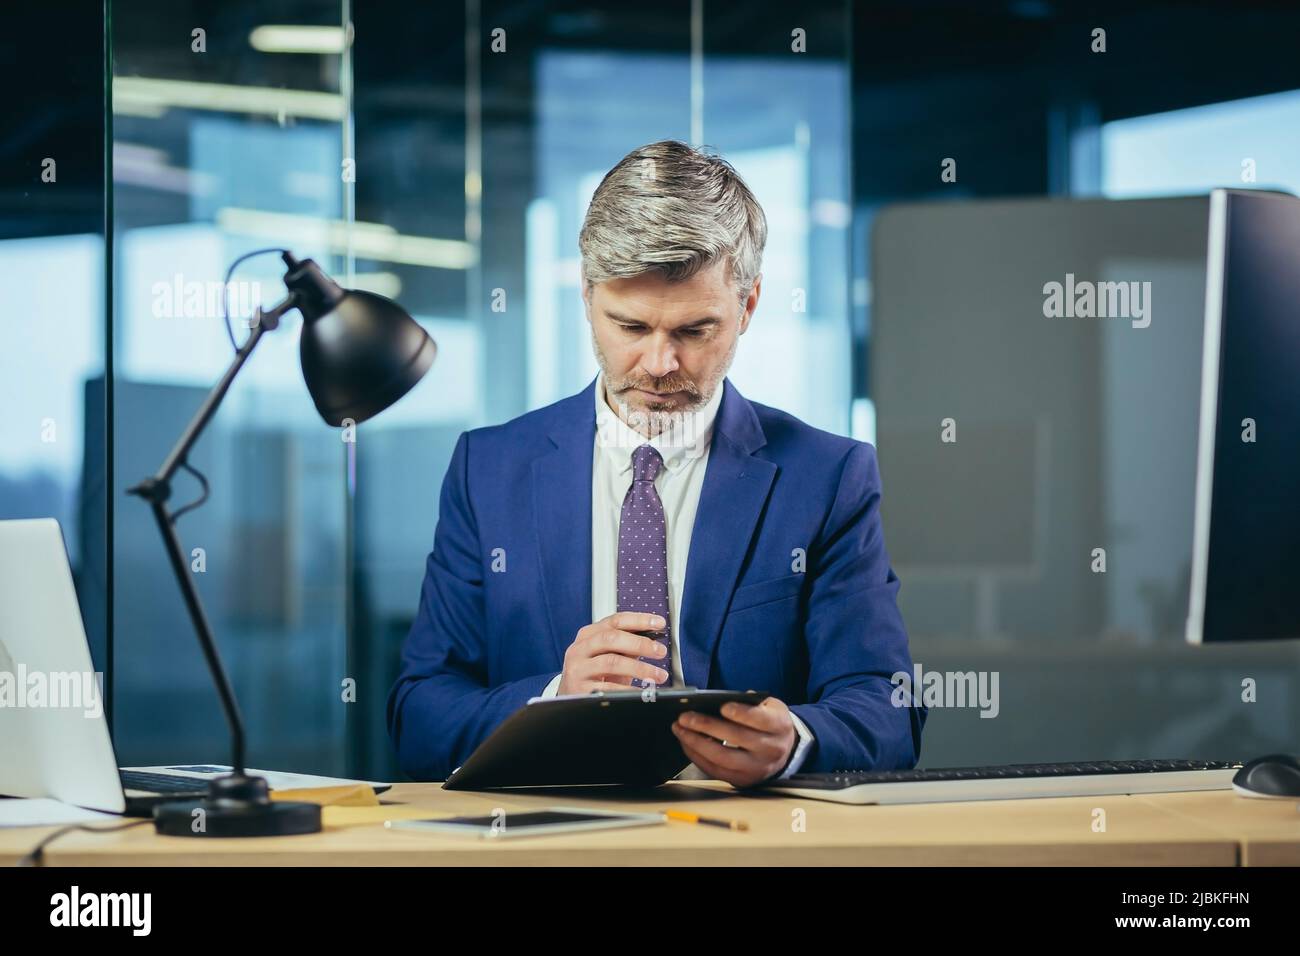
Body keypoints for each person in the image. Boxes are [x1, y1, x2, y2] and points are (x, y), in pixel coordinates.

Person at [387, 140, 925, 787]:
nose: (660, 365)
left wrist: (796, 742)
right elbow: (418, 717)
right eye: (632, 327)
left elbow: (887, 709)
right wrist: (553, 696)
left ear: (748, 307)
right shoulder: (488, 470)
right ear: (587, 298)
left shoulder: (828, 478)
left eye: (695, 331)